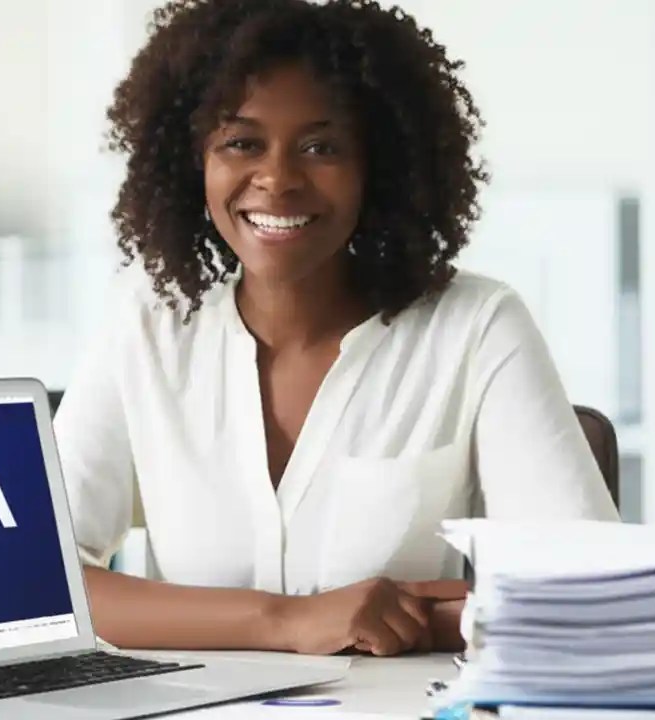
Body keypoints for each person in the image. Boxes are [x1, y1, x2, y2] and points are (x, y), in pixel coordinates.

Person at [54, 0, 618, 657]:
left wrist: (389, 621)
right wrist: (289, 621)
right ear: (194, 163)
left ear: (376, 169)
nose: (278, 179)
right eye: (242, 142)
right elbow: (37, 586)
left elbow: (583, 587)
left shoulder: (476, 327)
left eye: (322, 147)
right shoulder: (147, 324)